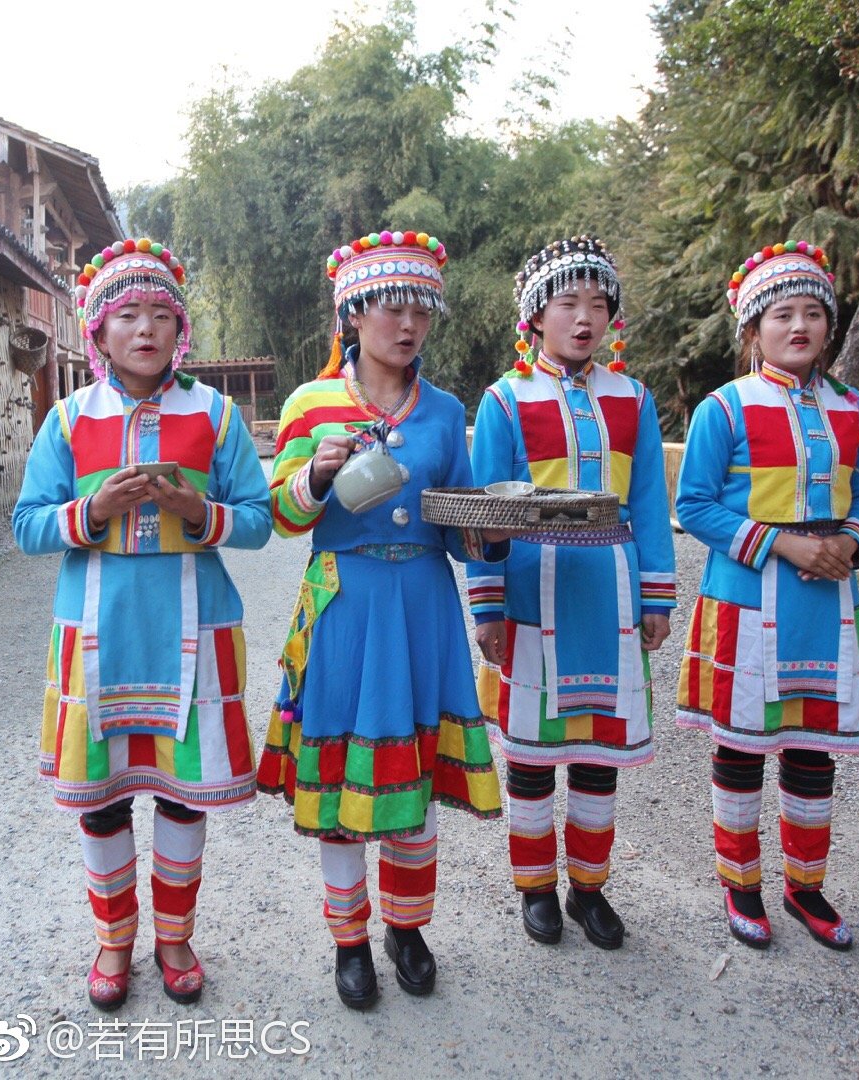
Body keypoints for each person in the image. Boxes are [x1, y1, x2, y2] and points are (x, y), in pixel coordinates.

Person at [12, 239, 269, 1010]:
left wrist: (200, 511)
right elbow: (26, 526)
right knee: (105, 797)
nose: (146, 329)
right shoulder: (68, 419)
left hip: (197, 627)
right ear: (97, 331)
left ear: (181, 329)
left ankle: (176, 937)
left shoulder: (215, 415)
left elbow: (258, 523)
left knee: (186, 794)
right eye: (127, 314)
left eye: (162, 313)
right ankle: (113, 940)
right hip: (98, 633)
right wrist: (94, 511)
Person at [257, 229, 505, 1010]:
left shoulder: (444, 412)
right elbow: (281, 519)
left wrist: (489, 533)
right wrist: (317, 477)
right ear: (354, 315)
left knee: (413, 777)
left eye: (422, 312)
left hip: (422, 604)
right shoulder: (309, 405)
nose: (409, 327)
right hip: (344, 605)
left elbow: (460, 523)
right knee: (338, 781)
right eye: (393, 309)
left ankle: (408, 928)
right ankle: (350, 940)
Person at [467, 236, 676, 950]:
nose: (585, 319)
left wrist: (655, 598)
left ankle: (590, 888)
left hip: (610, 594)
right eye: (567, 303)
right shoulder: (504, 399)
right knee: (530, 754)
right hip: (534, 589)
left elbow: (647, 499)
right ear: (535, 316)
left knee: (596, 754)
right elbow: (486, 510)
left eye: (598, 304)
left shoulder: (632, 398)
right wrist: (488, 604)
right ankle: (535, 889)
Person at [676, 240, 859, 951]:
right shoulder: (724, 408)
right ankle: (740, 886)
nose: (798, 327)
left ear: (829, 325)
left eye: (812, 314)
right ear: (753, 330)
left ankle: (806, 887)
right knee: (740, 749)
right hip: (743, 599)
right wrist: (787, 543)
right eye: (781, 315)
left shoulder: (853, 409)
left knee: (811, 749)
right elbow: (696, 505)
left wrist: (850, 542)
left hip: (824, 604)